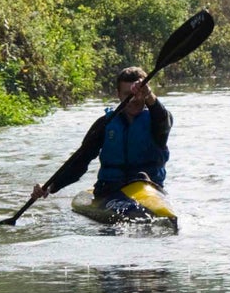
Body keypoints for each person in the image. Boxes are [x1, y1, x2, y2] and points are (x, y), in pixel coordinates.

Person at [30, 66, 172, 214]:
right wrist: (51, 186)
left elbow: (163, 119)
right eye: (128, 95)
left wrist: (149, 95)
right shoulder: (105, 125)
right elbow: (80, 160)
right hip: (110, 191)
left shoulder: (157, 122)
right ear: (118, 95)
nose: (134, 99)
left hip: (148, 190)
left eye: (139, 94)